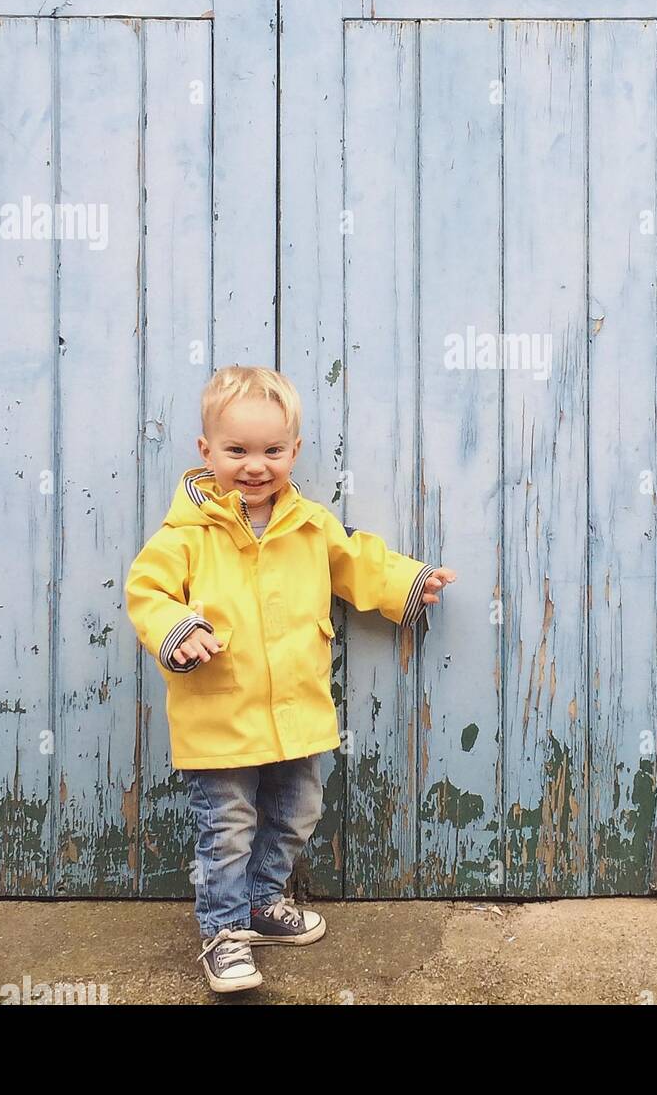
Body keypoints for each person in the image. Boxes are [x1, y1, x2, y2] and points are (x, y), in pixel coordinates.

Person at [125, 365, 457, 992]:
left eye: (272, 451)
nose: (255, 465)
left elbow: (356, 560)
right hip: (218, 713)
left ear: (293, 451)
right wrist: (180, 630)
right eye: (237, 450)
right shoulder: (186, 535)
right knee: (226, 829)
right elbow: (148, 593)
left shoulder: (309, 524)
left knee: (297, 810)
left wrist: (409, 582)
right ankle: (223, 933)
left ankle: (261, 902)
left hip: (295, 711)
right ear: (207, 451)